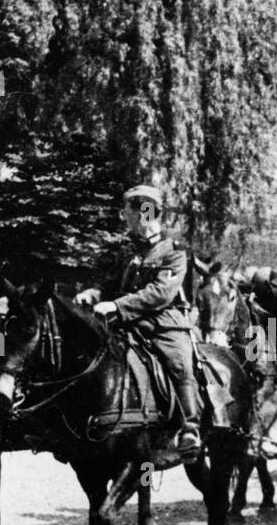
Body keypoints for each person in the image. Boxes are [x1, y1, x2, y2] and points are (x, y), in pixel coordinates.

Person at [74, 184, 201, 452]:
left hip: (164, 323)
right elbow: (109, 283)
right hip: (126, 322)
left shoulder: (174, 249)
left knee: (179, 363)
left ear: (144, 211)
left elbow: (161, 293)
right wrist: (93, 293)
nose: (123, 217)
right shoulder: (128, 250)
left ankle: (190, 427)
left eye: (126, 211)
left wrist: (117, 307)